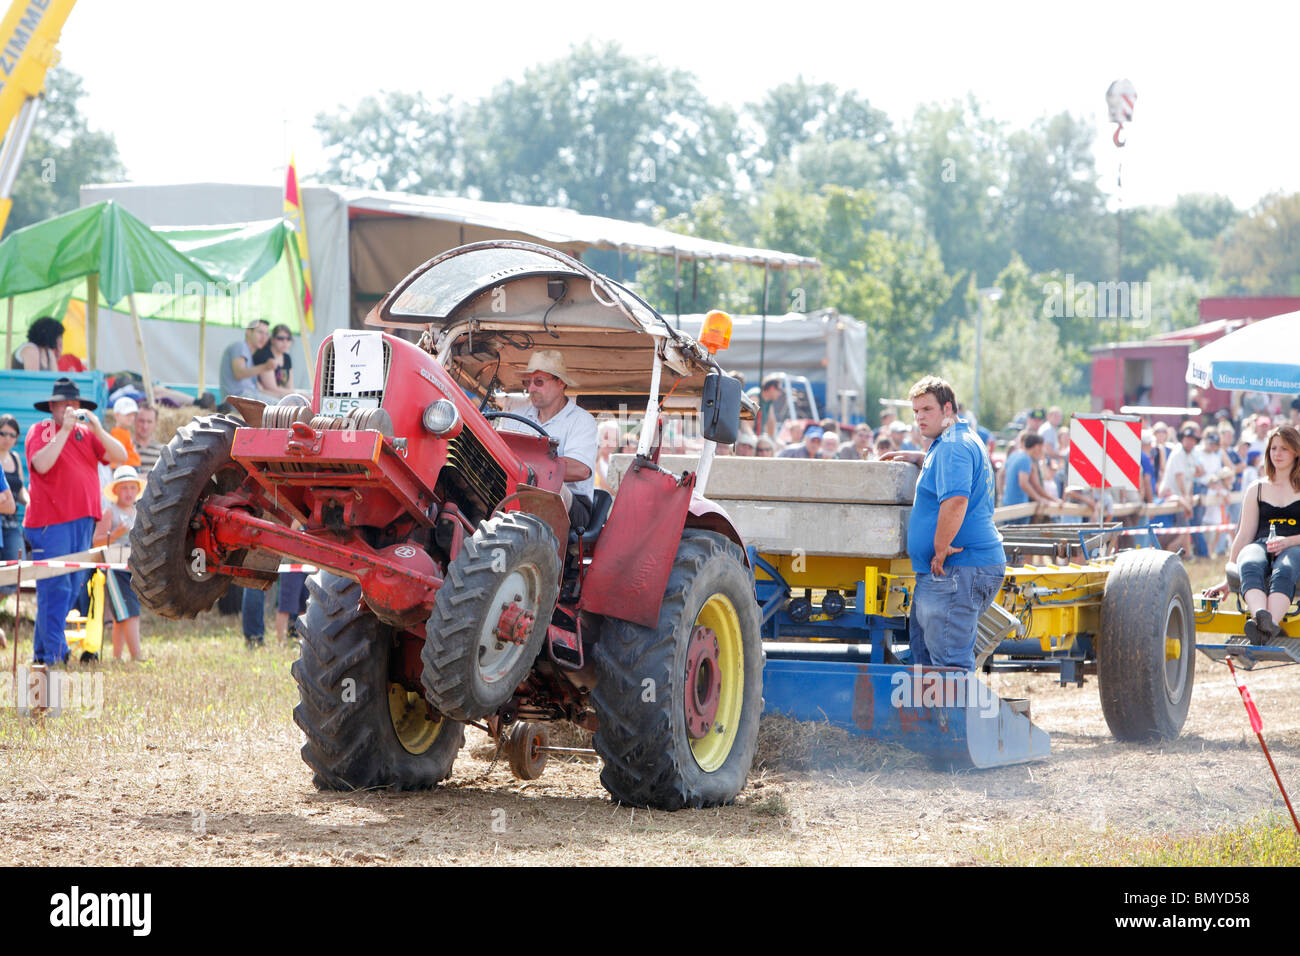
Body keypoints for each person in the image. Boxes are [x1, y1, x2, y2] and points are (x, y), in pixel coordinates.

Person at [882, 376, 1005, 670]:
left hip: (954, 568)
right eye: (915, 412)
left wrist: (939, 548)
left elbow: (956, 500)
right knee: (931, 665)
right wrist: (921, 458)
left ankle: (951, 716)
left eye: (927, 409)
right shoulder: (957, 441)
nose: (919, 418)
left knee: (949, 669)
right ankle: (935, 716)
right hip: (959, 569)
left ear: (947, 408)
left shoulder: (952, 447)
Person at [24, 378, 127, 664]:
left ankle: (44, 654)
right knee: (56, 589)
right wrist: (65, 430)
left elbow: (120, 455)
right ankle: (56, 654)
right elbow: (42, 464)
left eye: (73, 404)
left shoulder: (87, 433)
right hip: (50, 523)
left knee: (70, 587)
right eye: (63, 404)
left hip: (83, 522)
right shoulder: (42, 430)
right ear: (53, 406)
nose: (69, 408)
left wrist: (98, 428)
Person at [1205, 425, 1300, 643]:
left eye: (1284, 449)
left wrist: (1287, 541)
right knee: (1248, 561)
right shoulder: (1256, 488)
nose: (1277, 454)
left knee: (1284, 568)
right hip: (1261, 544)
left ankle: (1269, 625)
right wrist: (1229, 577)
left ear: (1296, 451)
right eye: (1273, 448)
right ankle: (1261, 619)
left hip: (1295, 547)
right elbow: (1244, 534)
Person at [501, 350, 597, 531]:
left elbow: (581, 470)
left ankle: (533, 547)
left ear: (560, 383)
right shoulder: (515, 417)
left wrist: (530, 471)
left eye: (539, 382)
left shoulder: (582, 420)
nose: (531, 389)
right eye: (527, 382)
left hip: (574, 504)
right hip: (514, 491)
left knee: (547, 487)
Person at [93, 465, 146, 661]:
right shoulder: (110, 512)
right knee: (131, 612)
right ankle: (136, 656)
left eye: (133, 488)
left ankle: (116, 657)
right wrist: (115, 534)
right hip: (115, 569)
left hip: (133, 568)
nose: (129, 493)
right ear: (115, 490)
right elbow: (96, 540)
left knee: (121, 616)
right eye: (124, 488)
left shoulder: (138, 513)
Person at [0, 415, 28, 603]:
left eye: (12, 434)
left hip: (10, 522)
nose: (7, 438)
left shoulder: (15, 458)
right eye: (3, 433)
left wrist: (29, 501)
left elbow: (20, 489)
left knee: (18, 569)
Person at [219, 319, 277, 401]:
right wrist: (265, 367)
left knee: (284, 403)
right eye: (260, 332)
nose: (264, 337)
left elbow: (259, 391)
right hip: (239, 400)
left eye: (267, 334)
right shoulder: (240, 346)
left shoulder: (250, 356)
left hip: (247, 398)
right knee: (282, 406)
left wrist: (285, 396)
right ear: (248, 332)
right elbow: (239, 373)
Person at [11, 316, 86, 372]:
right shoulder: (30, 349)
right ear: (50, 336)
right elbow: (33, 381)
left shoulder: (48, 352)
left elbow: (54, 377)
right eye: (58, 337)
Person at [254, 323, 300, 399]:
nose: (285, 342)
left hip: (280, 396)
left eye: (288, 339)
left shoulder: (287, 357)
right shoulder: (264, 355)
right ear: (272, 339)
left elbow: (290, 387)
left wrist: (294, 394)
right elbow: (271, 388)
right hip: (263, 396)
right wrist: (295, 394)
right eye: (281, 338)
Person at [108, 396, 142, 467]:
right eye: (127, 415)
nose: (131, 418)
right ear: (116, 415)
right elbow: (116, 455)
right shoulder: (117, 433)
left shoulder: (125, 431)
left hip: (131, 466)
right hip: (127, 468)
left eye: (133, 415)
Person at [132, 404, 164, 472]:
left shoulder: (163, 451)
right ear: (134, 420)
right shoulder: (125, 447)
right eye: (141, 421)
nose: (145, 426)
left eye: (149, 422)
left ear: (156, 423)